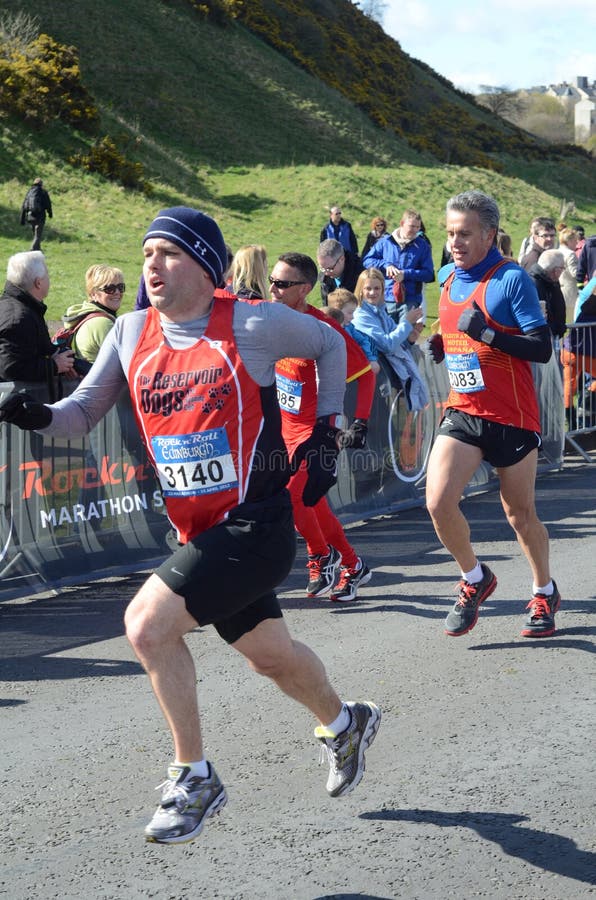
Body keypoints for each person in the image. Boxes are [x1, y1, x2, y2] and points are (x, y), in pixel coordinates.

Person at [0, 208, 381, 843]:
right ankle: (347, 724)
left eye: (169, 253)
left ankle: (194, 776)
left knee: (146, 628)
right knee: (272, 657)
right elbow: (79, 415)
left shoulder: (251, 322)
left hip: (254, 525)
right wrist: (30, 412)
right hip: (198, 530)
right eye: (146, 252)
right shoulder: (129, 332)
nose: (152, 265)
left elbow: (330, 344)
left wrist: (328, 429)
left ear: (205, 266)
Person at [425, 190, 560, 639]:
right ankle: (475, 578)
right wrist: (443, 346)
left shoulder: (512, 280)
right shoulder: (446, 276)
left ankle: (544, 589)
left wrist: (487, 334)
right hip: (464, 410)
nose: (455, 242)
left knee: (519, 514)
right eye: (450, 233)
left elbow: (541, 348)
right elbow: (454, 328)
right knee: (438, 502)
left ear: (488, 233)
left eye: (464, 233)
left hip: (511, 415)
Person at [270, 252, 375, 602]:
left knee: (294, 497)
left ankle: (321, 554)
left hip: (317, 430)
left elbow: (364, 375)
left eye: (282, 284)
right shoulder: (270, 318)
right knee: (312, 502)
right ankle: (352, 563)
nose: (272, 289)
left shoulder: (323, 328)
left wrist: (359, 423)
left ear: (304, 289)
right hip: (284, 428)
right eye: (272, 280)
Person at [352, 268, 428, 411]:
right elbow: (388, 345)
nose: (373, 292)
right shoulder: (361, 315)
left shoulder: (380, 311)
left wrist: (410, 338)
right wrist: (406, 323)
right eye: (368, 288)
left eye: (377, 288)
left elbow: (396, 338)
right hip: (373, 381)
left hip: (387, 378)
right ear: (360, 290)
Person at [0, 251, 74, 391]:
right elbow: (10, 368)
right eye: (47, 275)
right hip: (13, 409)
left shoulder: (20, 307)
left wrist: (56, 354)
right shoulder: (18, 319)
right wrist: (54, 366)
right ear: (38, 283)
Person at [362, 208, 434, 321]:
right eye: (412, 226)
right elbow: (367, 260)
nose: (415, 230)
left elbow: (429, 274)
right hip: (386, 298)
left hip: (410, 300)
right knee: (386, 336)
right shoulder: (385, 242)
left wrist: (405, 274)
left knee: (405, 337)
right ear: (402, 223)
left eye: (417, 227)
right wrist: (386, 265)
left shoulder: (423, 246)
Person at [58, 265, 125, 370]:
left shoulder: (86, 315)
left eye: (120, 287)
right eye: (109, 289)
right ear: (93, 294)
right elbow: (125, 363)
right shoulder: (102, 323)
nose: (117, 292)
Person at [561, 275, 596, 426]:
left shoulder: (586, 304)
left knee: (568, 387)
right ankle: (589, 396)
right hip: (589, 355)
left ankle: (572, 426)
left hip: (569, 351)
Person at [327, 287, 380, 374]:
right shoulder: (328, 331)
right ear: (337, 310)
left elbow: (364, 340)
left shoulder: (349, 327)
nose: (353, 317)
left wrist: (371, 359)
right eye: (350, 312)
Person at [528, 250, 567, 340]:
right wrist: (554, 328)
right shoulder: (535, 284)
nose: (562, 271)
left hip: (551, 335)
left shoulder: (550, 282)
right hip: (542, 338)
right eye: (562, 268)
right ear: (556, 270)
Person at [317, 238, 363, 303]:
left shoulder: (361, 276)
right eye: (322, 268)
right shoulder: (325, 276)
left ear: (342, 259)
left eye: (330, 268)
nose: (326, 273)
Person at [20, 177, 53, 251]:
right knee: (38, 235)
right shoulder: (43, 192)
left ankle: (38, 249)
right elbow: (48, 204)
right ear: (41, 184)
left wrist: (22, 219)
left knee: (35, 234)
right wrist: (50, 213)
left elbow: (24, 206)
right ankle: (32, 249)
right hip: (40, 217)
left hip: (30, 217)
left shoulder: (29, 192)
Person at [558, 227, 579, 320]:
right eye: (575, 240)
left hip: (559, 290)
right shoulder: (570, 254)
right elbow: (575, 273)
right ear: (569, 241)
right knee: (570, 321)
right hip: (570, 293)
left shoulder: (557, 251)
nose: (577, 243)